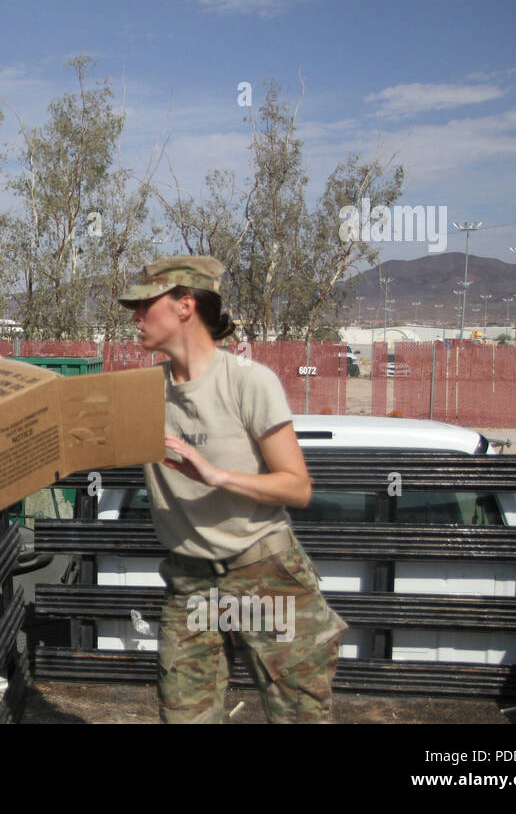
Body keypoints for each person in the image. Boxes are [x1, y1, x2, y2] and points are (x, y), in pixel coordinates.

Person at [116, 255, 347, 724]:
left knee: (299, 714)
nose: (134, 318)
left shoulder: (247, 381)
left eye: (145, 305)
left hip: (264, 571)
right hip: (191, 582)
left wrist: (216, 476)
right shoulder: (138, 393)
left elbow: (297, 487)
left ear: (185, 306)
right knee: (184, 716)